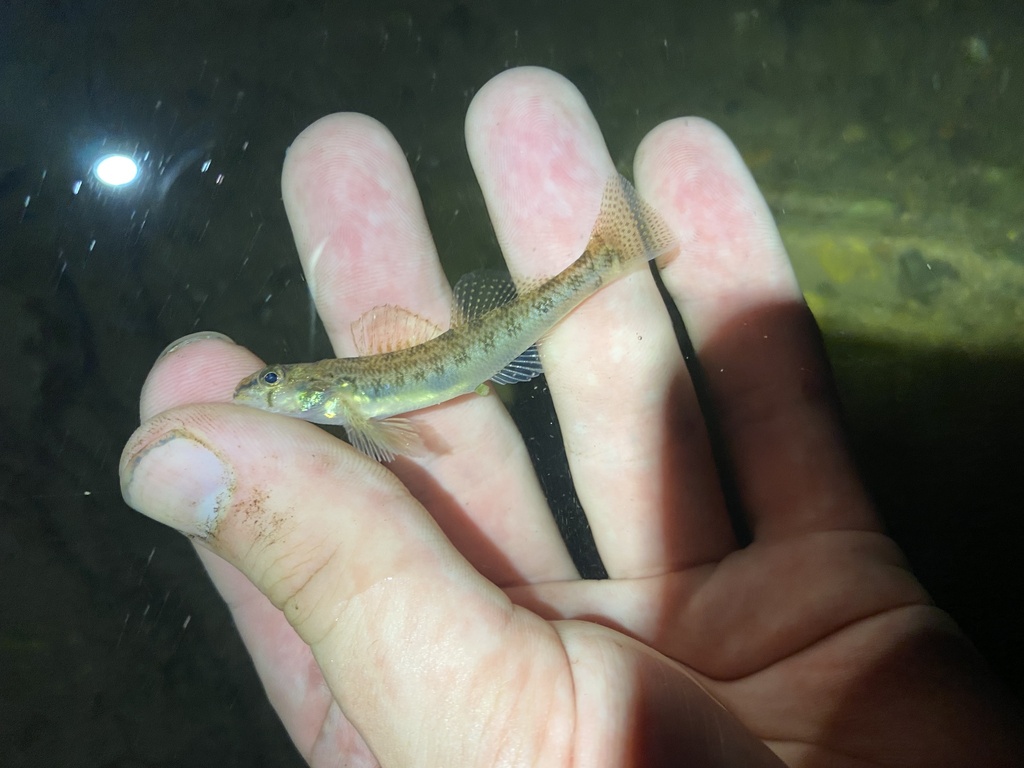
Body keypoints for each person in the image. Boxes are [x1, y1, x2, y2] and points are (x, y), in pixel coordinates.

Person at [119, 67, 1024, 767]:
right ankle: (609, 253)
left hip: (481, 341)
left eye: (276, 383)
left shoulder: (346, 395)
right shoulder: (344, 395)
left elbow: (385, 433)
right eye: (273, 387)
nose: (271, 391)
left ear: (310, 388)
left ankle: (609, 253)